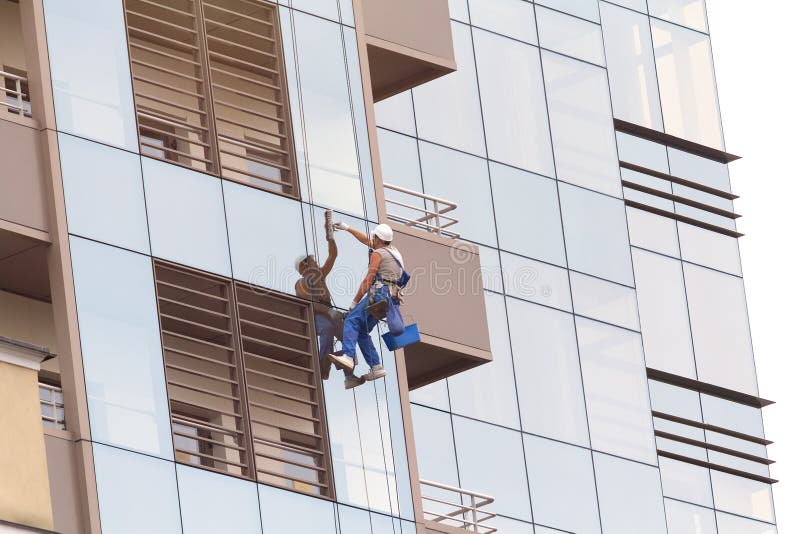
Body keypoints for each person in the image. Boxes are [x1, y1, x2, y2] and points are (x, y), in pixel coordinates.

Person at [328, 222, 404, 381]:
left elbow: (369, 279)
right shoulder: (392, 251)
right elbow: (365, 240)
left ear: (378, 238)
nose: (372, 239)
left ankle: (348, 356)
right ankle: (376, 367)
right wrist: (348, 227)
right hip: (389, 298)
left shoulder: (378, 254)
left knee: (351, 319)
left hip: (379, 294)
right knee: (362, 330)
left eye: (374, 237)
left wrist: (354, 302)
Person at [294, 233, 359, 389]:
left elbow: (333, 255)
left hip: (329, 313)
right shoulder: (300, 283)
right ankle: (324, 366)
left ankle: (347, 375)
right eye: (312, 260)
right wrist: (330, 312)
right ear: (304, 266)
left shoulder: (320, 276)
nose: (316, 262)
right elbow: (311, 302)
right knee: (327, 329)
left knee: (348, 335)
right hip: (317, 316)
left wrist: (330, 238)